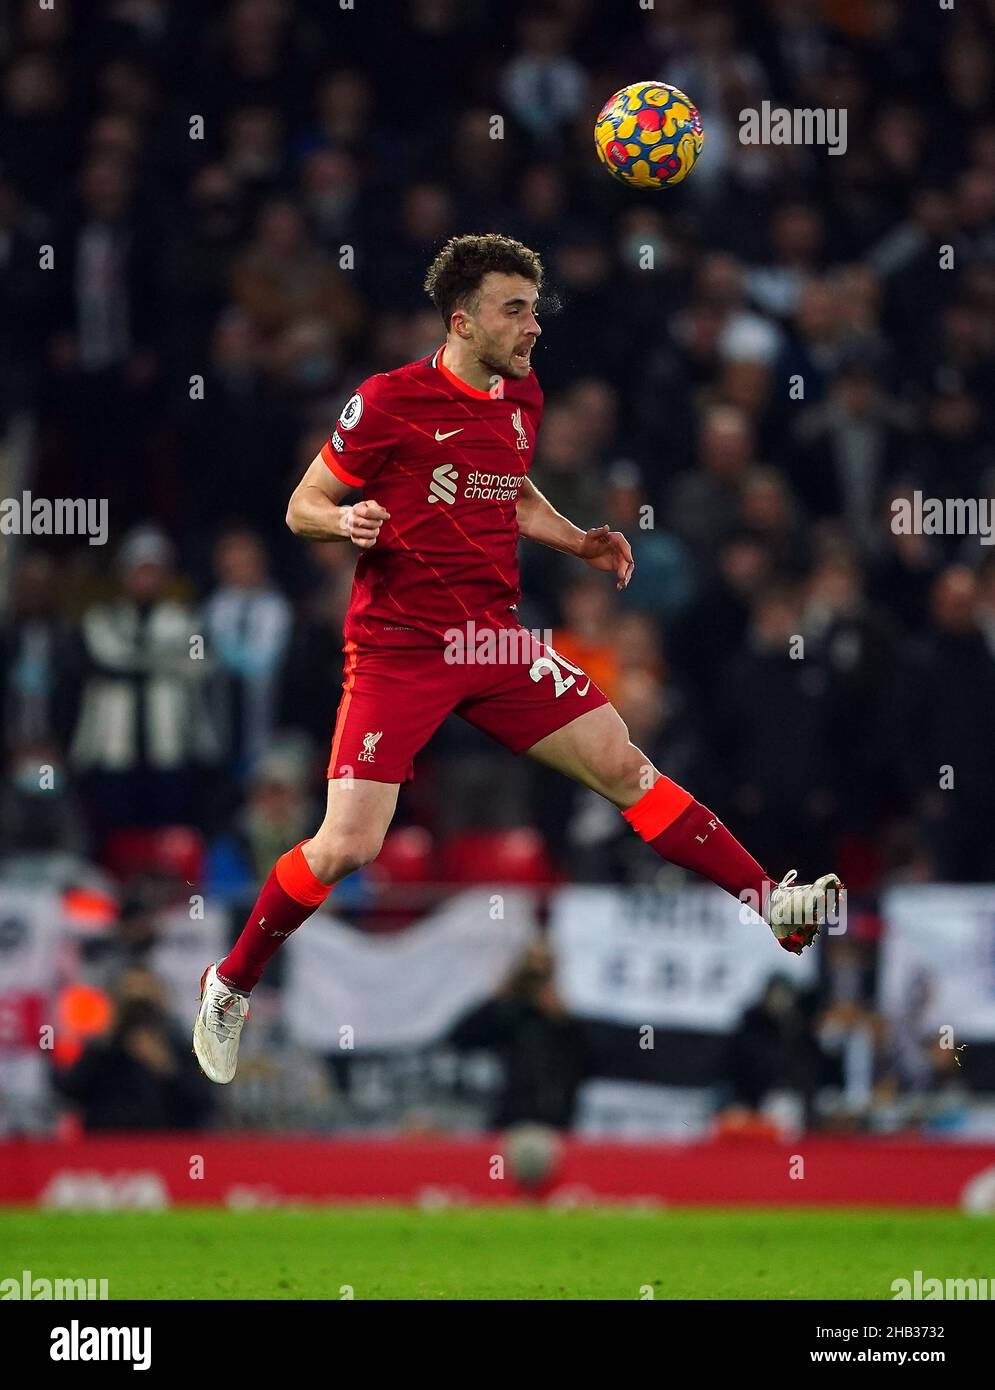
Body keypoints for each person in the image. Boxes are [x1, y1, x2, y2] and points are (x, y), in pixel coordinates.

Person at [193, 234, 842, 1084]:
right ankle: (231, 982)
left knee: (626, 768)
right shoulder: (389, 401)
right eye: (514, 310)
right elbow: (301, 504)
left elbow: (508, 484)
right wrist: (341, 522)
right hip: (400, 648)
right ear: (461, 322)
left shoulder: (522, 394)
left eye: (534, 309)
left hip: (491, 640)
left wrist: (576, 540)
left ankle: (773, 904)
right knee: (349, 844)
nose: (532, 326)